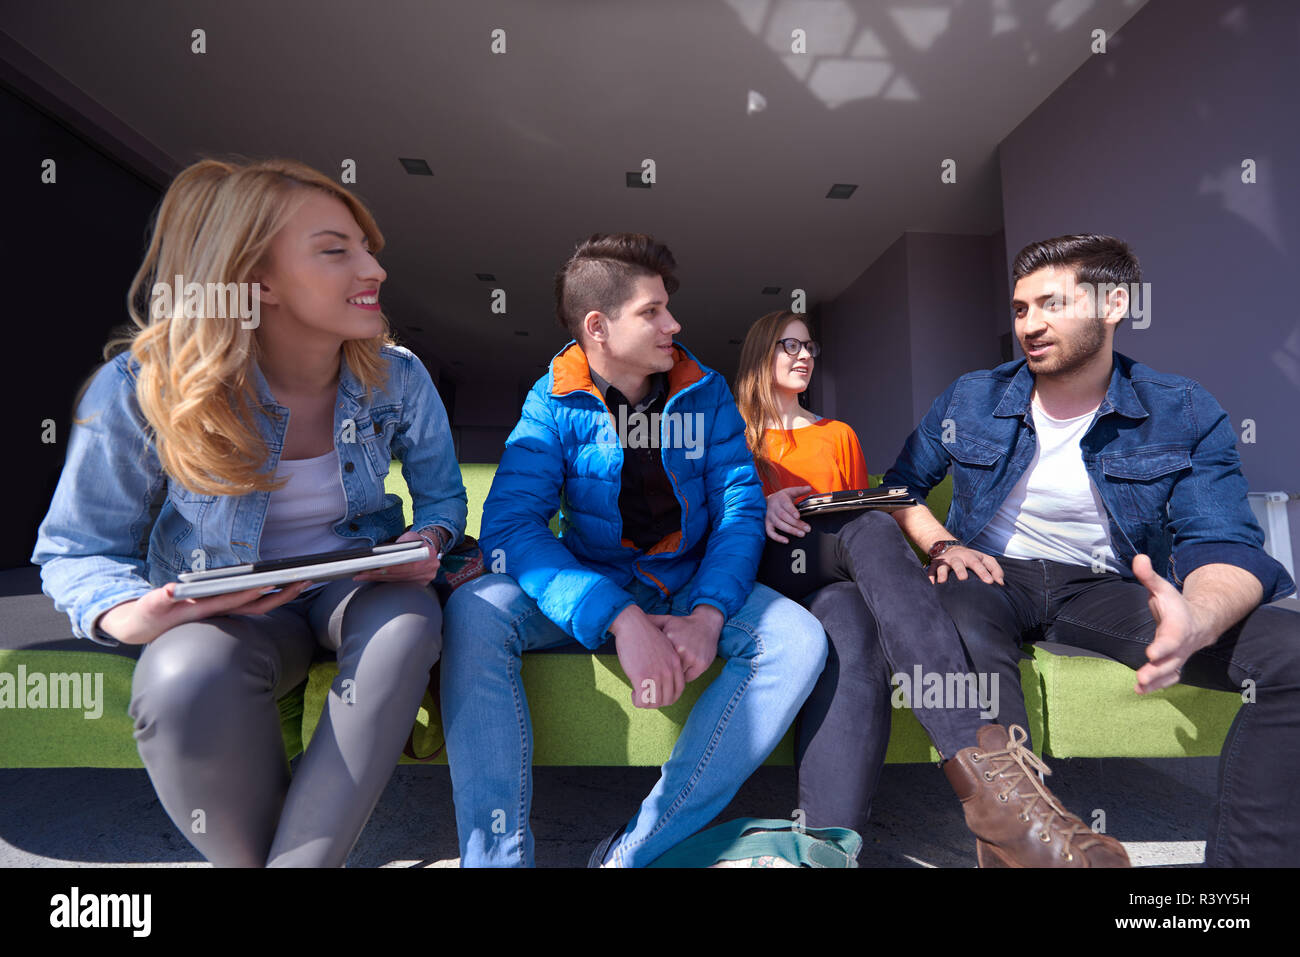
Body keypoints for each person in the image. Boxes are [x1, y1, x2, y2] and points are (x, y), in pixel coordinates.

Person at [31, 157, 467, 867]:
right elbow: (78, 549)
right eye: (336, 250)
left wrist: (429, 537)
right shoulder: (143, 386)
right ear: (254, 279)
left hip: (355, 592)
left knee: (409, 621)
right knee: (180, 678)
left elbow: (443, 498)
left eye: (368, 250)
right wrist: (133, 613)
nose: (374, 270)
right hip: (229, 610)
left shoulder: (401, 377)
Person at [884, 233, 1300, 867]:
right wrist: (942, 544)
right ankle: (1032, 843)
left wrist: (1197, 617)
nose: (1029, 324)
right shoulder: (971, 397)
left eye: (1051, 304)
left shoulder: (1183, 410)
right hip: (992, 576)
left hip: (1107, 585)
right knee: (958, 609)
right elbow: (899, 487)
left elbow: (1221, 539)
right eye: (1021, 309)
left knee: (1293, 657)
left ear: (1113, 305)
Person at [439, 233, 828, 867]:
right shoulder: (552, 401)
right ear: (598, 326)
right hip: (591, 582)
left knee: (798, 639)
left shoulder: (705, 393)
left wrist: (708, 614)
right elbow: (512, 529)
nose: (673, 323)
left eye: (668, 305)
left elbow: (739, 511)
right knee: (476, 610)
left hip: (688, 584)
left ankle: (633, 852)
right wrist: (618, 618)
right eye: (652, 311)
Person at [737, 309, 1128, 867]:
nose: (803, 356)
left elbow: (861, 509)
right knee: (870, 529)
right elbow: (711, 515)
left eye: (809, 347)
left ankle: (825, 847)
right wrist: (759, 503)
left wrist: (940, 549)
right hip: (770, 565)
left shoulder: (837, 434)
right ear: (758, 354)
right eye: (787, 345)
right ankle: (986, 767)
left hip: (831, 579)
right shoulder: (731, 431)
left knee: (854, 620)